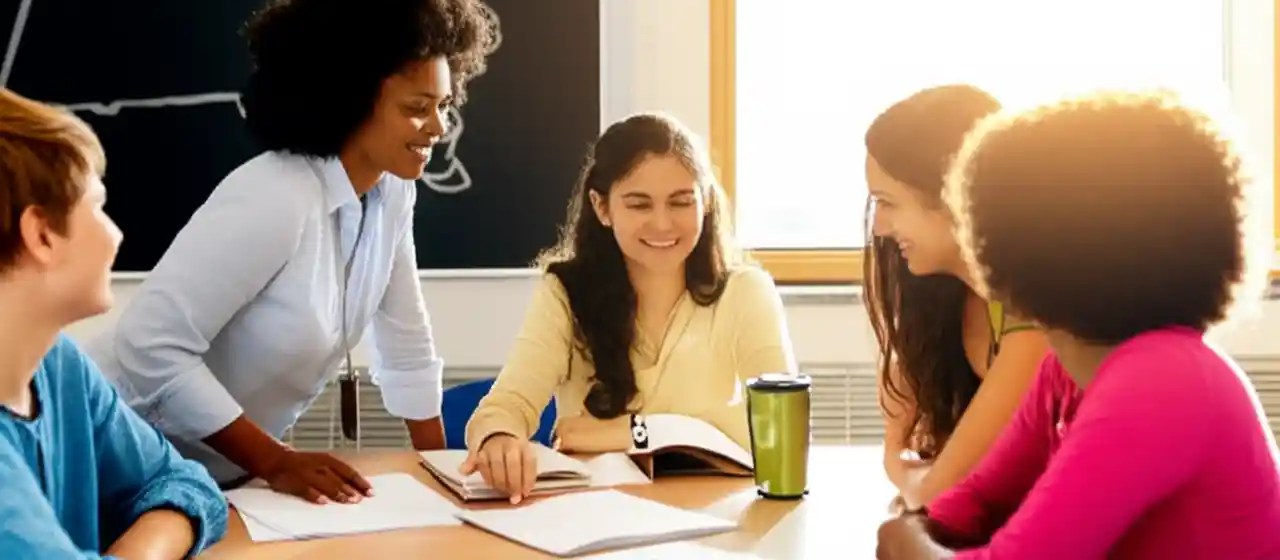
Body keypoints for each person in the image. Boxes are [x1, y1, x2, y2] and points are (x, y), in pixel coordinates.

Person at [87, 0, 500, 503]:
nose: (438, 127)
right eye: (416, 107)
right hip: (111, 458)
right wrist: (274, 461)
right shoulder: (276, 194)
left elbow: (406, 341)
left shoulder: (392, 190)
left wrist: (446, 476)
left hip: (216, 478)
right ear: (352, 98)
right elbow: (150, 346)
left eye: (444, 105)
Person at [876, 90, 1280, 559]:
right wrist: (917, 534)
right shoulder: (1065, 371)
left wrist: (907, 542)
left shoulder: (1163, 379)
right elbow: (968, 506)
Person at [461, 112, 797, 503]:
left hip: (713, 522)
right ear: (602, 208)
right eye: (639, 205)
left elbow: (783, 432)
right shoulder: (564, 292)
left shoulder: (745, 291)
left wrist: (633, 432)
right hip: (597, 519)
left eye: (681, 202)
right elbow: (505, 406)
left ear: (704, 203)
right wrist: (498, 436)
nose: (662, 223)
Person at [0, 89, 228, 558]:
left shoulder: (57, 365)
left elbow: (184, 481)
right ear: (41, 234)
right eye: (98, 206)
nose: (116, 233)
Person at [865, 85, 1049, 509]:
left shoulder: (1036, 311)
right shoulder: (958, 305)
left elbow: (939, 494)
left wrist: (897, 457)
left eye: (887, 202)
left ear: (953, 199)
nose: (879, 227)